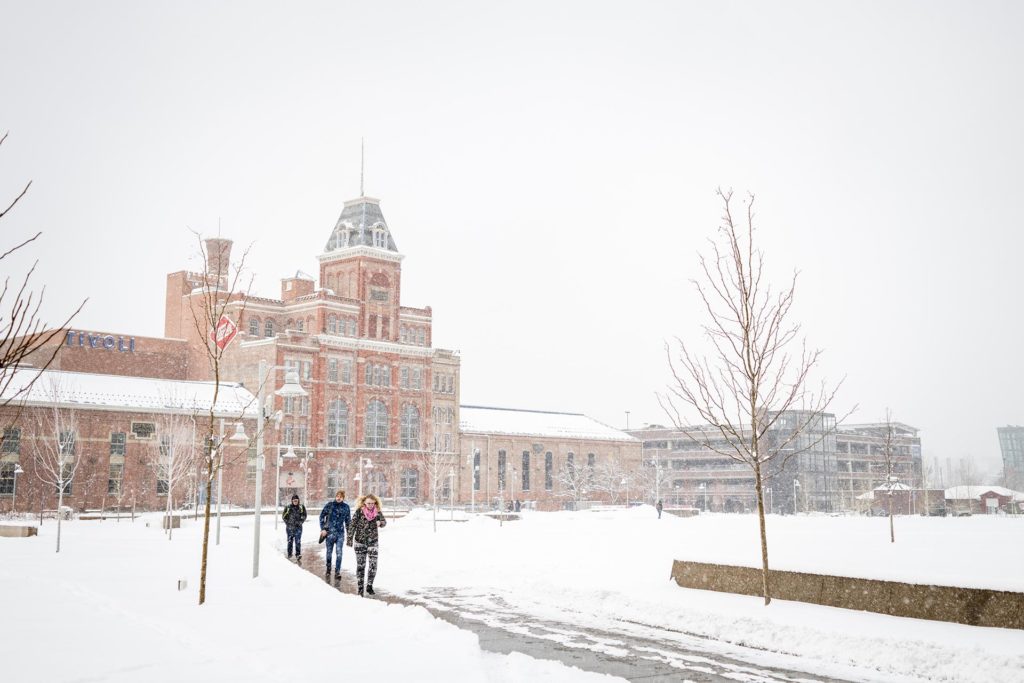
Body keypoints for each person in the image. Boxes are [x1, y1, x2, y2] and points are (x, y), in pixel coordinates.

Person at [347, 493, 387, 596]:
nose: (370, 505)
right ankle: (360, 588)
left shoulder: (377, 512)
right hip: (360, 542)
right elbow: (352, 525)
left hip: (373, 541)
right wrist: (349, 539)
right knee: (361, 566)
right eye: (368, 503)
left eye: (372, 503)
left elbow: (384, 522)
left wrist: (380, 523)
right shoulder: (359, 512)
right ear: (364, 502)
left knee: (373, 564)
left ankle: (369, 585)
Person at [319, 489, 351, 577]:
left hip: (340, 533)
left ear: (343, 498)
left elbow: (348, 522)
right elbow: (322, 516)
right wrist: (323, 529)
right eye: (337, 496)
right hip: (329, 533)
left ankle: (337, 571)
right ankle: (328, 569)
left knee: (339, 552)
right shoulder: (330, 505)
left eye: (340, 497)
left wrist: (349, 534)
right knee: (329, 552)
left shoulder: (346, 507)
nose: (338, 498)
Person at [282, 494, 307, 560]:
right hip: (290, 528)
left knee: (298, 541)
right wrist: (288, 523)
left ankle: (298, 554)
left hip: (298, 528)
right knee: (290, 541)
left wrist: (300, 522)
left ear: (298, 500)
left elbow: (304, 516)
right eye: (294, 500)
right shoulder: (288, 508)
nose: (295, 502)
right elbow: (284, 517)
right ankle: (289, 553)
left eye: (296, 500)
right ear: (292, 501)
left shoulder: (301, 507)